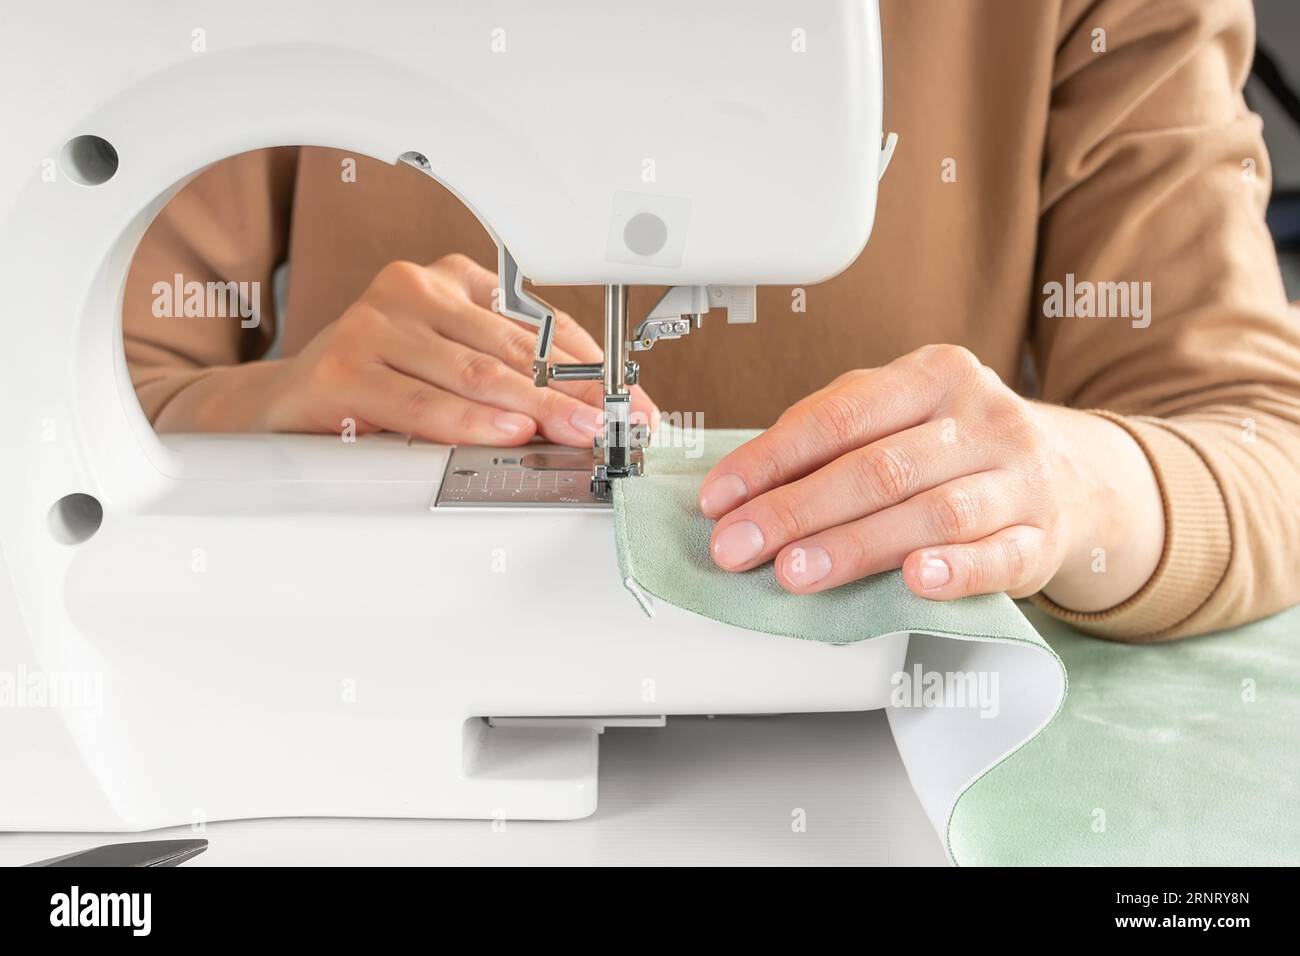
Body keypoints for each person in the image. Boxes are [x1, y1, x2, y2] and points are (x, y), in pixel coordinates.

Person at [124, 0, 1300, 642]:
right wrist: (264, 404)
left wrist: (1068, 486)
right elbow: (80, 392)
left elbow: (1262, 441)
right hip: (352, 674)